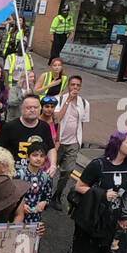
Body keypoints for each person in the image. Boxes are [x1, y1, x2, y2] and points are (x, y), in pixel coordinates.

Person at [64, 131, 127, 253]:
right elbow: (79, 187)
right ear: (118, 144)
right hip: (91, 218)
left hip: (110, 220)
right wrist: (102, 194)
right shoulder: (98, 165)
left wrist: (125, 216)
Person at [49, 74, 89, 210]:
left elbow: (82, 123)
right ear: (68, 86)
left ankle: (57, 196)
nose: (75, 88)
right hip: (57, 142)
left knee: (68, 171)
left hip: (73, 142)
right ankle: (44, 193)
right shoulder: (59, 100)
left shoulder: (84, 103)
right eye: (73, 85)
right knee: (50, 170)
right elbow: (57, 119)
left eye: (78, 85)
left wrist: (79, 141)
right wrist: (68, 101)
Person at [0, 95, 58, 174]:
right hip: (14, 173)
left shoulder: (44, 126)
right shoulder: (9, 127)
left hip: (37, 173)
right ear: (22, 109)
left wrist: (53, 165)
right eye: (29, 107)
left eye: (35, 107)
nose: (32, 110)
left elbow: (51, 148)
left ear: (40, 109)